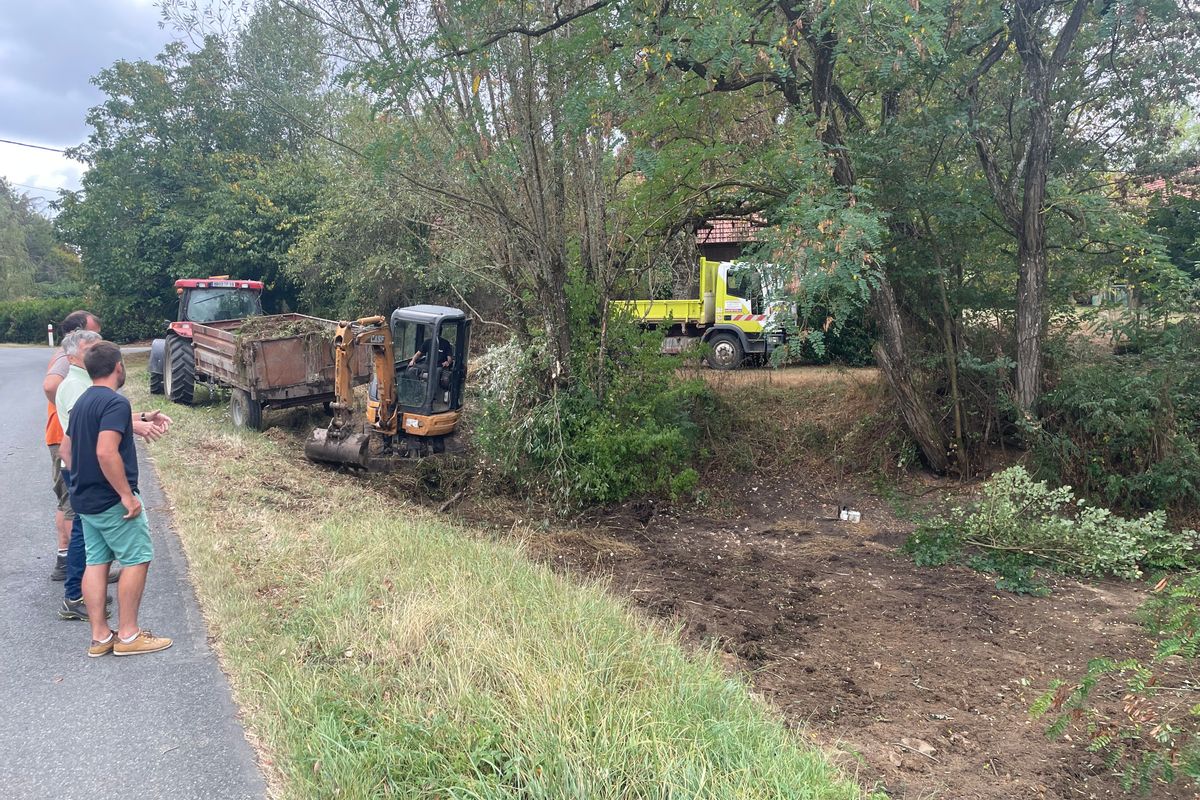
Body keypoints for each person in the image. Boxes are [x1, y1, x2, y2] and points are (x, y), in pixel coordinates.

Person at [60, 342, 173, 657]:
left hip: (85, 500)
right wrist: (126, 495)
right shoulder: (115, 403)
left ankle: (100, 637)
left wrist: (85, 481)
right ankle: (128, 635)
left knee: (96, 563)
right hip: (112, 501)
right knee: (137, 558)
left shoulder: (82, 402)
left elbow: (66, 451)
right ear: (119, 367)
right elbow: (106, 451)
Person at [43, 310, 100, 581]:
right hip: (65, 437)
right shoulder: (67, 359)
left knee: (66, 501)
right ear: (77, 333)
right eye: (93, 334)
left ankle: (65, 558)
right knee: (72, 505)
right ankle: (77, 569)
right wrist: (73, 413)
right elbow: (50, 385)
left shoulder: (72, 357)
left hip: (64, 435)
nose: (98, 340)